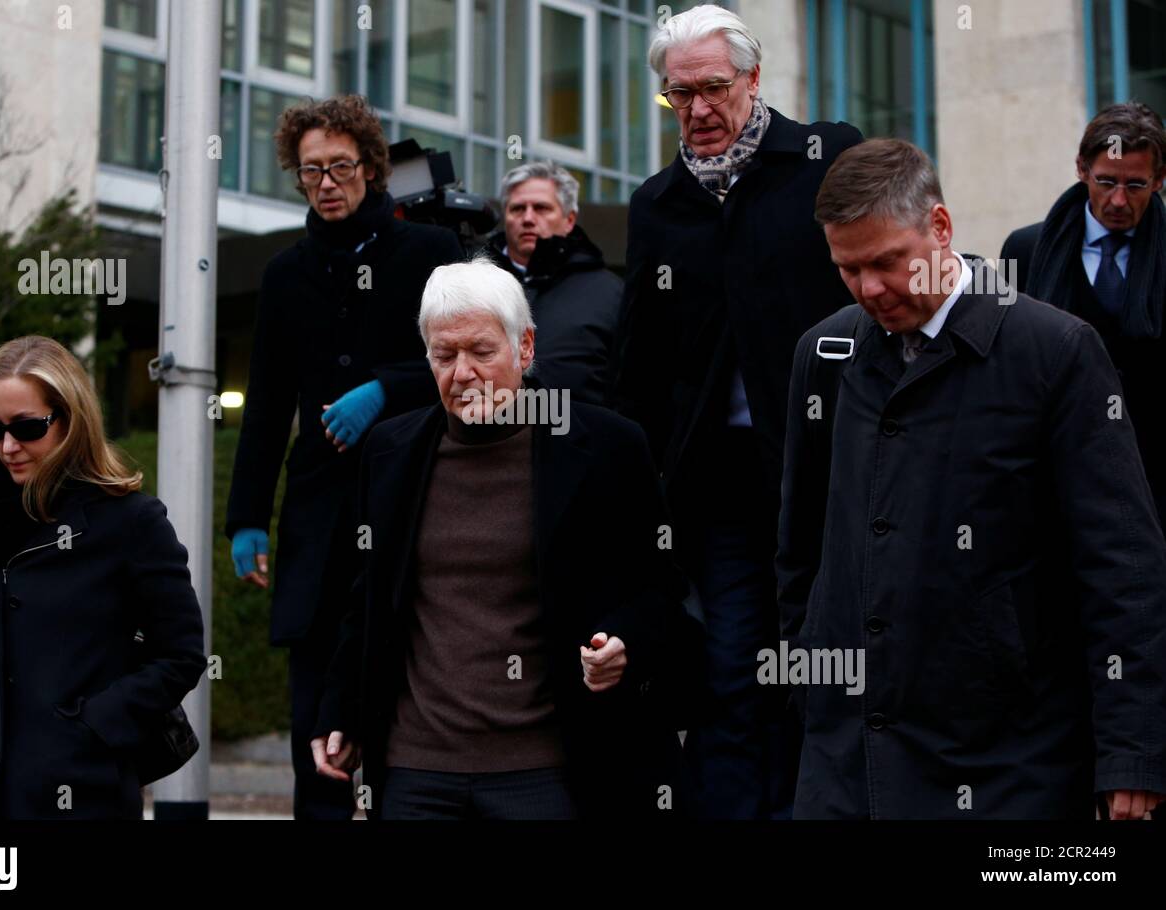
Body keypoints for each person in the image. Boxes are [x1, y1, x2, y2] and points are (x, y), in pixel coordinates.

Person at [778, 139, 1166, 819]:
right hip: (846, 766)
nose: (870, 289)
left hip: (1009, 764)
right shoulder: (825, 354)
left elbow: (1123, 565)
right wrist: (809, 684)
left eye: (887, 263)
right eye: (848, 269)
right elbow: (800, 548)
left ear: (941, 228)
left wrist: (1131, 753)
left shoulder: (1053, 351)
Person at [309, 258, 696, 819]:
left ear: (526, 347)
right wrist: (338, 709)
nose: (462, 372)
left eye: (481, 351)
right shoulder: (391, 452)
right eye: (444, 355)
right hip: (418, 772)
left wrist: (624, 644)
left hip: (553, 771)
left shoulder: (608, 446)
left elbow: (662, 590)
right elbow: (366, 600)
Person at [610, 3, 861, 819]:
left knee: (828, 664)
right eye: (677, 97)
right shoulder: (658, 205)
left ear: (754, 78)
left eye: (714, 88)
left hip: (830, 473)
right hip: (719, 491)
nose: (698, 111)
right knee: (733, 672)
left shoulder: (826, 157)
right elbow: (640, 356)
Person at [224, 95, 464, 820]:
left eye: (340, 167)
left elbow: (466, 366)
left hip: (411, 497)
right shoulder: (284, 274)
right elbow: (265, 407)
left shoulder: (431, 253)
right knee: (315, 715)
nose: (326, 183)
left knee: (404, 698)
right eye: (310, 172)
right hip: (320, 513)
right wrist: (246, 517)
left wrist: (385, 388)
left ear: (371, 168)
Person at [0, 336, 207, 819]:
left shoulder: (132, 522)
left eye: (27, 427)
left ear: (71, 420)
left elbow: (181, 656)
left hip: (80, 790)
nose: (7, 446)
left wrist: (92, 725)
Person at [1002, 102, 1166, 521]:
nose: (1117, 200)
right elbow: (1005, 361)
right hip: (1058, 470)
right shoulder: (1025, 250)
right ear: (1081, 169)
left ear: (1159, 181)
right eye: (1106, 181)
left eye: (1135, 186)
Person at [482, 161, 622, 404]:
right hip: (484, 435)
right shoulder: (474, 284)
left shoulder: (612, 294)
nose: (527, 218)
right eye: (517, 209)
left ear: (569, 219)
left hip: (580, 436)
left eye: (541, 208)